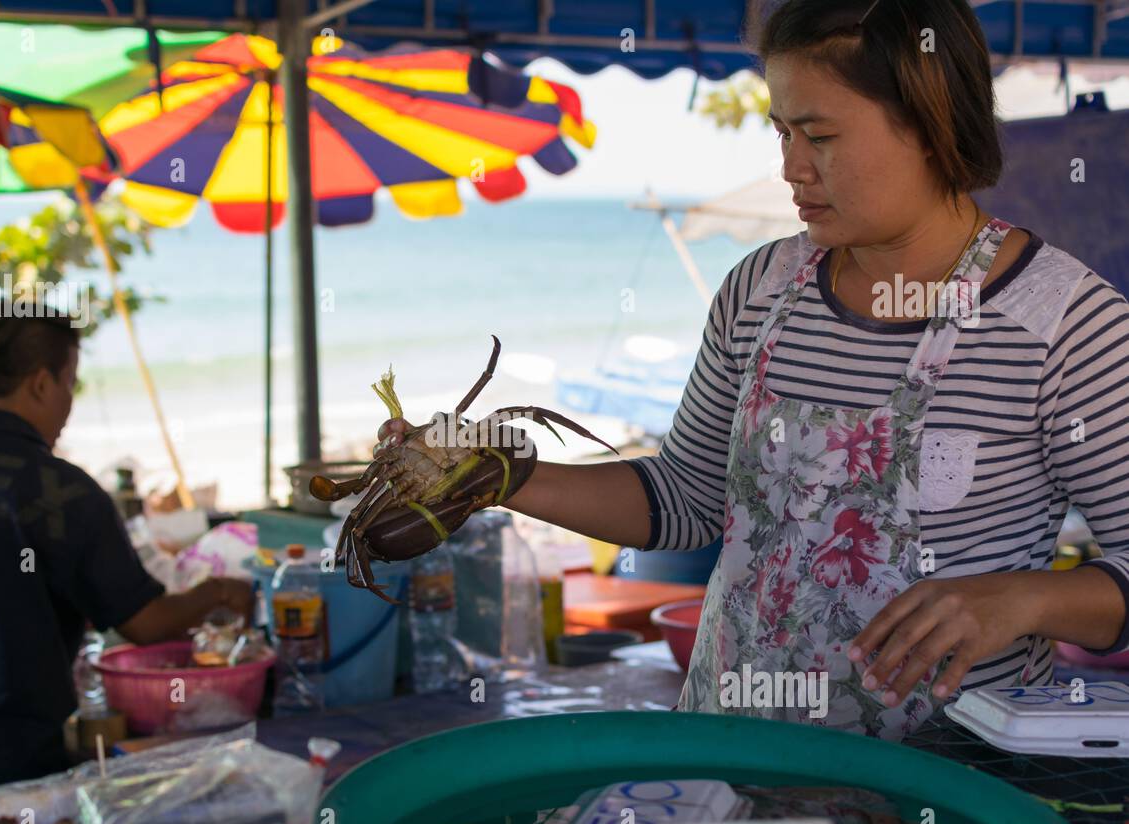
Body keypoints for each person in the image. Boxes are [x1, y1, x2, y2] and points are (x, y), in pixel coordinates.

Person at [379, 0, 1129, 741]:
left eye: (821, 136)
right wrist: (501, 477)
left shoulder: (1063, 322)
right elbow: (685, 498)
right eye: (781, 132)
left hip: (942, 798)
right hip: (733, 755)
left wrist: (1023, 600)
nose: (790, 169)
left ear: (931, 125)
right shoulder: (762, 289)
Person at [0, 303, 252, 808]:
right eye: (69, 384)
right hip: (0, 785)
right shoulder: (63, 493)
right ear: (39, 384)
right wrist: (221, 591)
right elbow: (144, 623)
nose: (69, 403)